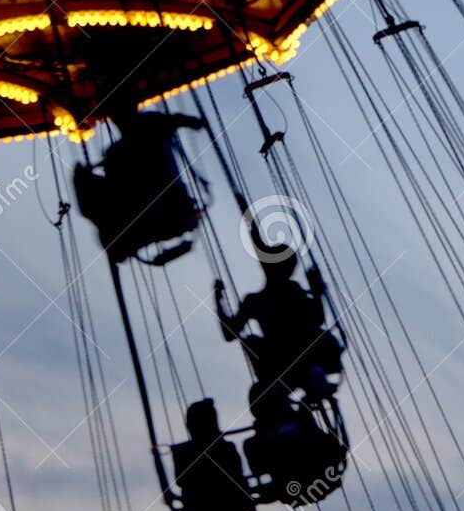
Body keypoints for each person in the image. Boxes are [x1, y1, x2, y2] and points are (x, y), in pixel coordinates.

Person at [215, 222, 342, 406]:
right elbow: (317, 317)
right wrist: (316, 292)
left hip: (286, 361)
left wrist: (218, 301)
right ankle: (312, 380)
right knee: (253, 342)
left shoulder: (260, 299)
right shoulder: (283, 294)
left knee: (257, 341)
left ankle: (312, 380)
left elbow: (230, 333)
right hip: (285, 362)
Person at [74, 99, 204, 265]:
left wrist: (83, 175)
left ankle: (123, 240)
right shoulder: (121, 149)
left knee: (103, 213)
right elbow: (177, 121)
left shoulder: (119, 151)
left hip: (158, 213)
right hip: (162, 214)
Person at [171, 398, 262, 511]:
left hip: (208, 506)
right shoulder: (222, 448)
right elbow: (182, 479)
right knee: (231, 488)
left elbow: (181, 480)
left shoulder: (184, 452)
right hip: (207, 505)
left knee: (230, 489)